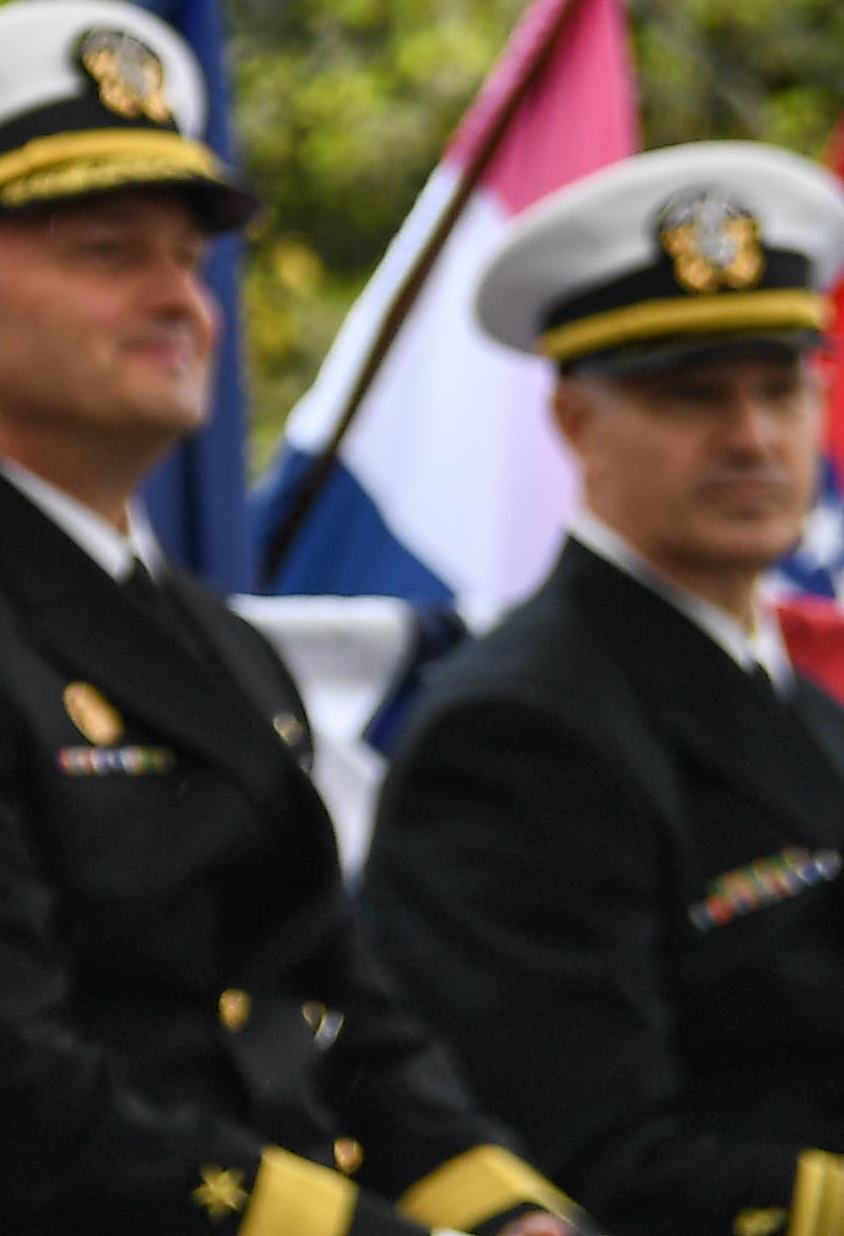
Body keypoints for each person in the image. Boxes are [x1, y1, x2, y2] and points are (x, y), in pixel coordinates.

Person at [0, 0, 574, 1236]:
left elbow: (342, 1004)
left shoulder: (212, 638)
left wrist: (506, 1212)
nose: (182, 299)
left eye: (189, 258)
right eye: (108, 251)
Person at [361, 144, 844, 1236]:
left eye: (780, 389)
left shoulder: (797, 705)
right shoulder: (522, 730)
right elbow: (592, 1155)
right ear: (576, 424)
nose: (753, 438)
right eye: (693, 397)